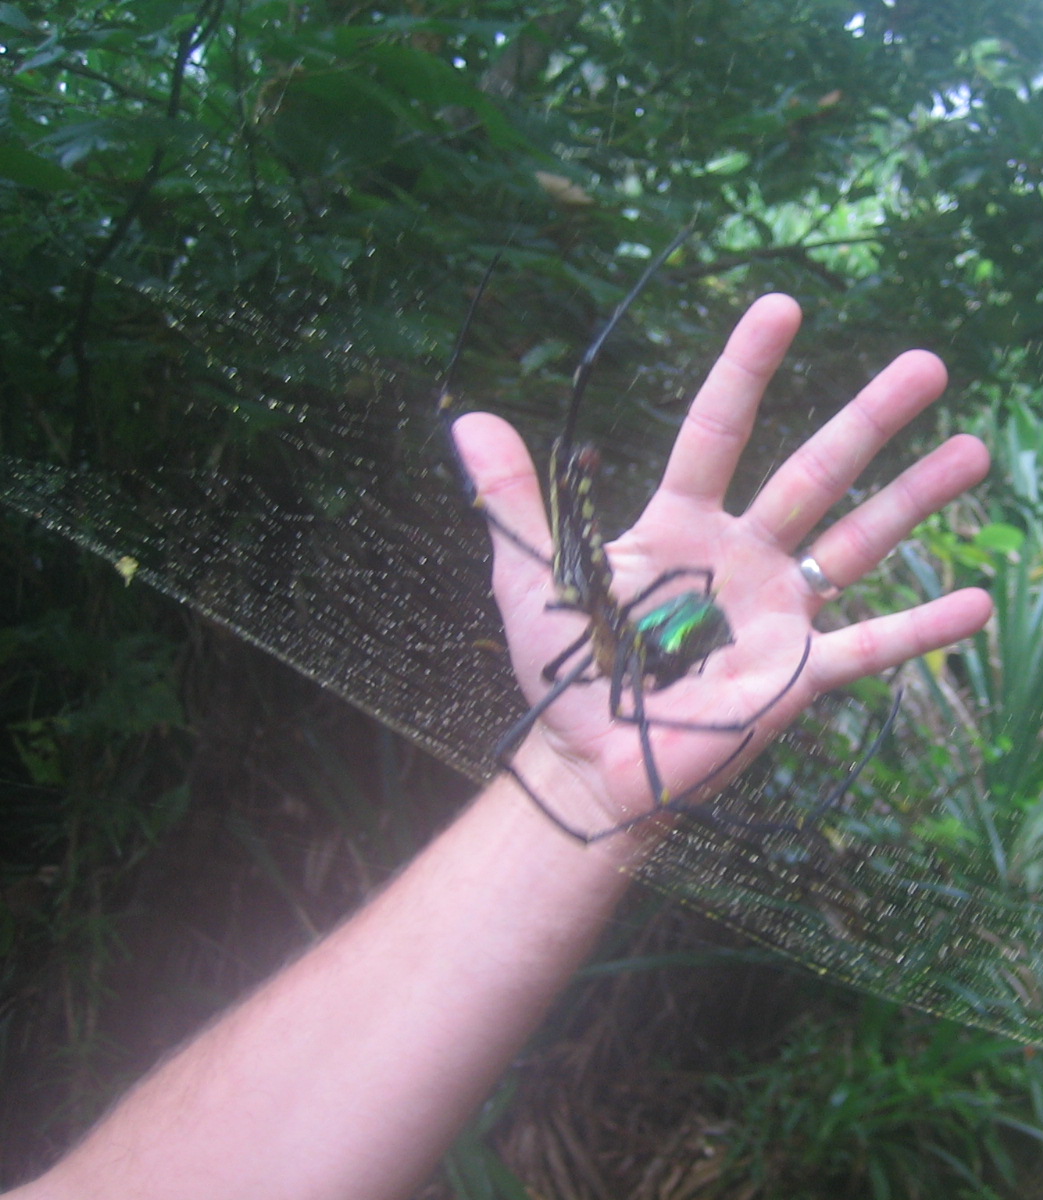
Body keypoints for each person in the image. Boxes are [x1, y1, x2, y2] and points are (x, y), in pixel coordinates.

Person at [9, 293, 992, 1200]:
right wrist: (582, 773)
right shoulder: (603, 660)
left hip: (667, 644)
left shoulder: (624, 630)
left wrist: (582, 765)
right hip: (649, 662)